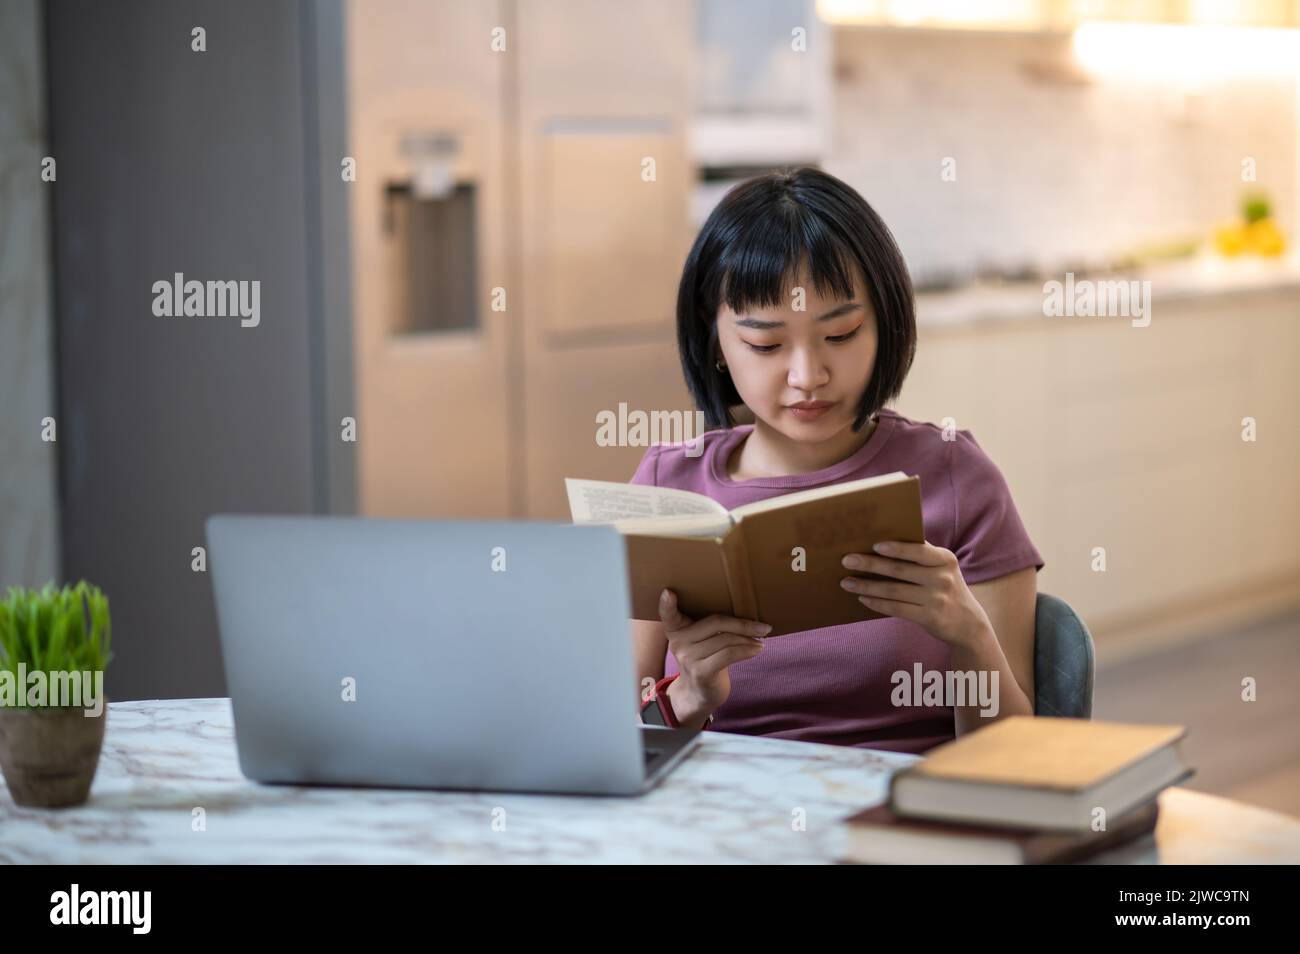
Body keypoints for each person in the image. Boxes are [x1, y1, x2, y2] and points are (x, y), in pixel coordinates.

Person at [630, 167, 1044, 753]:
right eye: (765, 344)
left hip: (905, 822)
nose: (808, 377)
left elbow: (1022, 761)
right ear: (715, 340)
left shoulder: (955, 476)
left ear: (885, 322)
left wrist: (969, 634)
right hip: (721, 829)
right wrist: (690, 695)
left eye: (842, 334)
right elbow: (610, 740)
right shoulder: (665, 488)